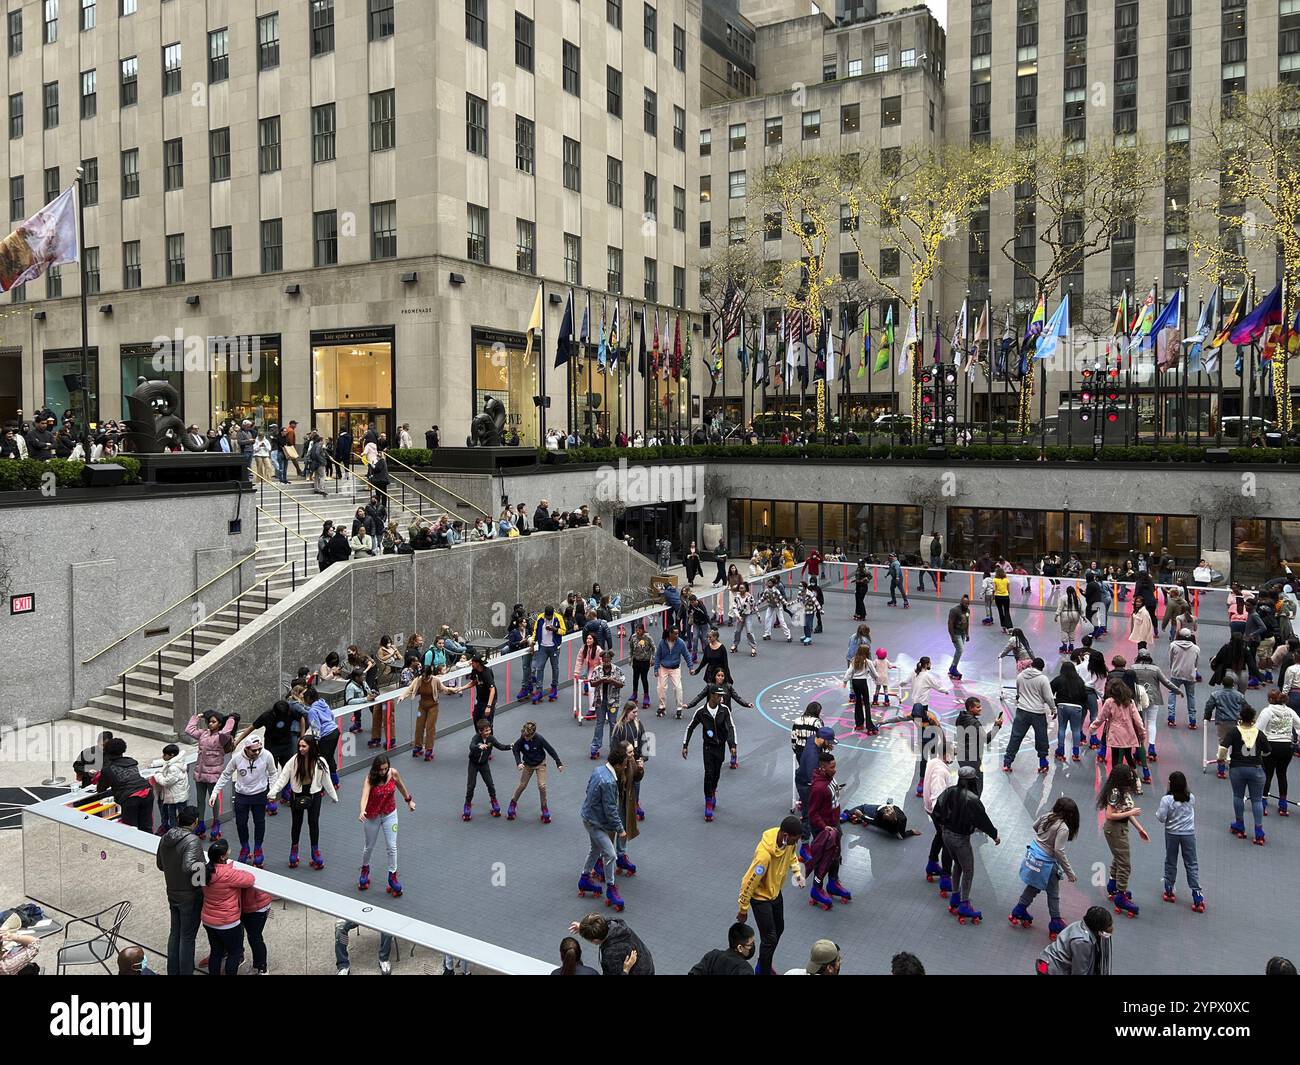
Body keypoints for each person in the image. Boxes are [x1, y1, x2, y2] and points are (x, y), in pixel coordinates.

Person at [736, 815, 807, 975]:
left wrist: (797, 873)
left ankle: (763, 963)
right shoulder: (764, 856)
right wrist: (743, 908)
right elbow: (748, 882)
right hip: (760, 899)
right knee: (769, 938)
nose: (795, 844)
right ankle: (763, 971)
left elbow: (792, 856)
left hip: (775, 894)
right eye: (794, 840)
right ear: (785, 835)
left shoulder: (788, 843)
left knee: (779, 928)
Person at [932, 765, 1000, 924]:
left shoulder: (949, 792)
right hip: (961, 839)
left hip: (946, 835)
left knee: (958, 865)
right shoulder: (972, 799)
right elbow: (983, 820)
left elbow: (937, 810)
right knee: (968, 870)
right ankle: (964, 904)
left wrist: (942, 825)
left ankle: (955, 896)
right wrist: (994, 835)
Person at [1008, 796, 1080, 940]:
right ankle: (1055, 922)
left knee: (1033, 886)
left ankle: (1019, 909)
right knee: (1053, 894)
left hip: (1034, 857)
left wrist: (1044, 838)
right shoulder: (1063, 828)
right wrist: (1070, 872)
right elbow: (1058, 851)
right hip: (1047, 864)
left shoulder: (1047, 816)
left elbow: (1035, 826)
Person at [270, 734, 340, 869]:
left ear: (311, 747)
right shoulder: (294, 761)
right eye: (299, 746)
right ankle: (294, 851)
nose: (301, 749)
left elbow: (326, 780)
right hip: (297, 796)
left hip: (314, 797)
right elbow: (283, 778)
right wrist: (272, 793)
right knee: (296, 824)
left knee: (313, 823)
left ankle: (315, 852)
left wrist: (333, 796)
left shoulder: (320, 762)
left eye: (304, 746)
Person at [210, 734, 277, 866]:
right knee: (241, 823)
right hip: (242, 795)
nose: (257, 752)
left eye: (259, 749)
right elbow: (225, 775)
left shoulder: (267, 755)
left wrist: (272, 792)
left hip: (260, 794)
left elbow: (273, 773)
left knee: (259, 822)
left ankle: (258, 848)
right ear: (246, 748)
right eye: (253, 750)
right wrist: (214, 793)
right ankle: (245, 847)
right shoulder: (237, 759)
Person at [577, 746, 629, 912]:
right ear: (619, 765)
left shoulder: (598, 770)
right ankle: (611, 888)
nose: (626, 767)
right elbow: (610, 809)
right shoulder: (609, 782)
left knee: (595, 849)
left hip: (588, 817)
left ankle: (584, 878)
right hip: (595, 823)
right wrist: (620, 830)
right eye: (625, 764)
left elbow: (587, 790)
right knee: (610, 854)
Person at [357, 755, 415, 897]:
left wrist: (409, 801)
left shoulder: (393, 773)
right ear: (376, 768)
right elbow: (364, 796)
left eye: (385, 769)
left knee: (392, 846)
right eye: (380, 769)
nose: (383, 772)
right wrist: (362, 810)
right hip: (372, 816)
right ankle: (365, 869)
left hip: (390, 814)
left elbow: (401, 786)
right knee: (369, 847)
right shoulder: (370, 778)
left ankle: (392, 876)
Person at [157, 804, 205, 975]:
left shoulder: (165, 837)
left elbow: (160, 865)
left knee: (175, 933)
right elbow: (190, 867)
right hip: (190, 896)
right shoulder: (192, 841)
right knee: (187, 937)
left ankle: (173, 971)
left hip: (172, 892)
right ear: (195, 822)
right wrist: (206, 870)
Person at [682, 684, 739, 822]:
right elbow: (690, 727)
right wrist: (685, 745)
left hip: (720, 748)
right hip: (708, 747)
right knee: (708, 773)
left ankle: (713, 791)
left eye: (721, 695)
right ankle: (708, 802)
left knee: (717, 773)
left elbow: (731, 727)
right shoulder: (701, 712)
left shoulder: (724, 710)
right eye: (719, 695)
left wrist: (732, 745)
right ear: (712, 695)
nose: (721, 697)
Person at [1098, 763, 1148, 917]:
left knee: (1119, 858)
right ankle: (1121, 895)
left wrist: (1140, 828)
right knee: (1125, 863)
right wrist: (1132, 812)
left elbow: (1125, 812)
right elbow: (1110, 815)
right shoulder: (1115, 793)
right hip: (1114, 829)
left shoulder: (1121, 791)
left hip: (1120, 829)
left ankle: (1113, 885)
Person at [200, 838, 255, 975]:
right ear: (223, 856)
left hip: (208, 920)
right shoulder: (228, 874)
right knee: (234, 953)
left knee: (216, 952)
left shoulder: (203, 871)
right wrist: (231, 868)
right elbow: (250, 879)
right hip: (228, 922)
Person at [1219, 705, 1271, 845]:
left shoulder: (1234, 732)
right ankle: (1259, 831)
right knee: (1257, 800)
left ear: (1241, 718)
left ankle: (1240, 824)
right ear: (1253, 719)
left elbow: (1223, 747)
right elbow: (1267, 751)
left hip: (1237, 768)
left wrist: (1221, 759)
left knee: (1238, 796)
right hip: (1256, 769)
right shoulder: (1259, 733)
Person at [1002, 657, 1057, 774]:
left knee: (1016, 736)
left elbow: (1018, 692)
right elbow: (1049, 697)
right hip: (1038, 712)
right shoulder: (1043, 679)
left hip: (1022, 711)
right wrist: (1053, 708)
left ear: (1032, 665)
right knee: (1041, 737)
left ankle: (1007, 762)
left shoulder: (1020, 676)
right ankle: (1043, 763)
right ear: (1042, 668)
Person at [1091, 678, 1150, 789]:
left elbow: (1101, 718)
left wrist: (1092, 728)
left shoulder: (1109, 702)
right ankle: (1136, 781)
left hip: (1115, 736)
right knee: (1128, 757)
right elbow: (1138, 720)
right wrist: (1142, 733)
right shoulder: (1130, 702)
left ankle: (1116, 783)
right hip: (1128, 735)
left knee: (1115, 759)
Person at [185, 712, 235, 840]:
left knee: (213, 800)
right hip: (200, 773)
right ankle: (200, 823)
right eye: (209, 721)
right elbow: (189, 730)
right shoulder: (203, 733)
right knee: (200, 800)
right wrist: (197, 717)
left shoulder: (222, 737)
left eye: (214, 722)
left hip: (213, 775)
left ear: (219, 724)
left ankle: (216, 823)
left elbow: (226, 732)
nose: (210, 724)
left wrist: (231, 719)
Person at [508, 721, 564, 823]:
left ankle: (544, 807)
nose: (525, 738)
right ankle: (513, 803)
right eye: (524, 736)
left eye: (527, 737)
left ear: (533, 734)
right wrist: (518, 762)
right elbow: (515, 749)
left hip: (540, 764)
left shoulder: (539, 739)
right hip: (528, 765)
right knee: (522, 785)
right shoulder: (522, 738)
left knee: (542, 786)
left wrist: (558, 763)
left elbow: (550, 750)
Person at [97, 737, 155, 832]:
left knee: (131, 829)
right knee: (146, 826)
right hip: (147, 792)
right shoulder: (131, 762)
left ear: (107, 752)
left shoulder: (108, 769)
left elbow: (101, 789)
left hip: (130, 798)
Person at [1035, 906, 1113, 975]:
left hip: (1044, 962)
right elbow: (1079, 971)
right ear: (1098, 927)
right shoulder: (1083, 942)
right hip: (1050, 969)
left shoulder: (1080, 924)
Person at [1258, 689, 1300, 815]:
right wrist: (1296, 739)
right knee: (1282, 774)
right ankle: (1283, 805)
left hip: (1271, 746)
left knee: (1267, 774)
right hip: (1287, 747)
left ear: (1271, 699)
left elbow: (1258, 729)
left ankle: (1263, 803)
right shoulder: (1289, 711)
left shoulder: (1267, 711)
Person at [570, 912, 654, 974]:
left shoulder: (611, 954)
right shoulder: (615, 924)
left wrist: (625, 970)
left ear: (595, 940)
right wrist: (584, 928)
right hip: (646, 964)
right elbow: (598, 923)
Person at [463, 719, 511, 821]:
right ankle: (467, 804)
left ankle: (494, 800)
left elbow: (501, 746)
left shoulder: (491, 739)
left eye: (489, 730)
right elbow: (471, 746)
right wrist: (479, 746)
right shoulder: (476, 738)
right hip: (473, 764)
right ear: (480, 731)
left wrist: (511, 746)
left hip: (484, 764)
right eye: (486, 731)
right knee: (471, 785)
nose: (488, 732)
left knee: (490, 783)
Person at [1205, 675, 1247, 778]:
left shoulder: (1215, 694)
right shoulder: (1239, 695)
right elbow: (1245, 707)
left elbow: (1209, 706)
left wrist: (1208, 716)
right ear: (1233, 684)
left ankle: (1221, 769)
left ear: (1223, 684)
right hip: (1235, 721)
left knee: (1223, 743)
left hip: (1222, 721)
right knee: (1236, 743)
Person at [588, 650, 626, 760]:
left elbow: (622, 684)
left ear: (611, 660)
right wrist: (602, 680)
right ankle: (595, 748)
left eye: (607, 660)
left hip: (613, 702)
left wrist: (612, 681)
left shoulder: (617, 670)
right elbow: (592, 683)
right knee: (599, 723)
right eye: (604, 660)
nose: (606, 662)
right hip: (600, 701)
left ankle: (613, 748)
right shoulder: (597, 670)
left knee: (613, 724)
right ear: (601, 660)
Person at [529, 605, 566, 703]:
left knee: (555, 668)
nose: (548, 618)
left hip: (554, 647)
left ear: (553, 614)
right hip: (542, 647)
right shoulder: (540, 617)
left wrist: (554, 629)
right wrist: (533, 642)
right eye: (547, 616)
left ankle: (554, 688)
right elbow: (535, 631)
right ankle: (539, 691)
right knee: (539, 668)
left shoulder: (558, 617)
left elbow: (563, 631)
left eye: (549, 617)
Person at [689, 923, 756, 975]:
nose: (753, 947)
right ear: (740, 948)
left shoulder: (713, 956)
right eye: (750, 944)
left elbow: (695, 972)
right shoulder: (745, 969)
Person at [653, 626, 690, 718]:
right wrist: (656, 669)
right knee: (661, 687)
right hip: (663, 667)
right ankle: (662, 707)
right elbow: (657, 656)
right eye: (675, 633)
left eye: (678, 633)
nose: (677, 635)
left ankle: (679, 708)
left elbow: (686, 655)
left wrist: (690, 667)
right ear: (670, 634)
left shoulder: (680, 643)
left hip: (675, 668)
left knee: (678, 688)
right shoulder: (662, 642)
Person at [1167, 627, 1200, 729]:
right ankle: (1192, 720)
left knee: (1172, 693)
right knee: (1191, 696)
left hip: (1176, 674)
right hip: (1190, 675)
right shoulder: (1196, 648)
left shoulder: (1173, 645)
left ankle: (1171, 717)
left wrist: (1173, 668)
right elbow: (1196, 663)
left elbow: (1170, 659)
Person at [843, 644, 877, 733]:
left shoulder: (854, 660)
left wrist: (845, 681)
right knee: (866, 703)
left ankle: (859, 723)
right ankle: (869, 725)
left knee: (858, 702)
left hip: (855, 682)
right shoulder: (868, 662)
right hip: (863, 682)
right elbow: (874, 673)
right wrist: (875, 678)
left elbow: (849, 671)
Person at [729, 580, 760, 657]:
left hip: (748, 615)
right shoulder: (736, 597)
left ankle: (753, 647)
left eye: (742, 588)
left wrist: (758, 615)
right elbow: (734, 607)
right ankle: (735, 645)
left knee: (749, 631)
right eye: (740, 588)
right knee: (737, 631)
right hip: (740, 616)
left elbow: (754, 606)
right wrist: (738, 616)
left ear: (746, 589)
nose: (741, 590)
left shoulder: (750, 597)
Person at [1055, 586, 1084, 654]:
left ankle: (1064, 646)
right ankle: (1071, 647)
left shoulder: (1063, 598)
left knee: (1064, 630)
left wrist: (1056, 615)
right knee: (1072, 630)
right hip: (1076, 615)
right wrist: (1083, 616)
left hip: (1065, 614)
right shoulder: (1077, 598)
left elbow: (1060, 607)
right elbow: (1080, 608)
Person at [947, 595, 970, 679]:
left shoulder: (967, 611)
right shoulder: (954, 611)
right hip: (956, 633)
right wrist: (952, 636)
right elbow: (950, 624)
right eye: (965, 604)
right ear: (961, 603)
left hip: (963, 633)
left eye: (968, 604)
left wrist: (967, 634)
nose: (967, 605)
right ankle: (953, 668)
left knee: (959, 651)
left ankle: (952, 667)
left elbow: (967, 623)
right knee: (960, 650)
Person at [795, 579, 823, 645]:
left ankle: (809, 637)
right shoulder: (800, 593)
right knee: (804, 624)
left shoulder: (810, 594)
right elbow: (797, 600)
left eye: (801, 586)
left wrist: (820, 610)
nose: (799, 587)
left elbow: (816, 602)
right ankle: (806, 635)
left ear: (804, 587)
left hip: (810, 611)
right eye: (799, 586)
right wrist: (789, 604)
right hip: (804, 610)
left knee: (808, 623)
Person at [992, 565, 1013, 631]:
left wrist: (993, 597)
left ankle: (1003, 626)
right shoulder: (1006, 580)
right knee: (1007, 611)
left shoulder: (995, 580)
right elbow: (1008, 590)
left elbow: (994, 589)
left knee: (1000, 611)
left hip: (998, 597)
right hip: (1006, 597)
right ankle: (1009, 627)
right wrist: (1007, 595)